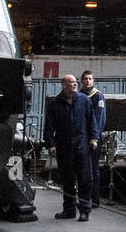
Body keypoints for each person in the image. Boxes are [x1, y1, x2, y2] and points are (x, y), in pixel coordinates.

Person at [45, 74, 99, 221]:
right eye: (71, 82)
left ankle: (84, 211)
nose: (75, 85)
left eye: (75, 82)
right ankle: (69, 210)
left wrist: (94, 138)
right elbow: (49, 126)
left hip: (82, 146)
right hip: (64, 147)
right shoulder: (55, 103)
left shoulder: (84, 100)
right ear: (63, 84)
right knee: (67, 180)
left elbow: (91, 120)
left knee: (85, 180)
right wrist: (51, 145)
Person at [81, 70, 107, 209]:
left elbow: (99, 119)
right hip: (81, 138)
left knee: (93, 169)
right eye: (85, 79)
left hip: (92, 139)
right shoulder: (79, 95)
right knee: (82, 169)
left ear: (93, 80)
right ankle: (84, 198)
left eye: (90, 79)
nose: (87, 81)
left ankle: (95, 199)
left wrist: (94, 137)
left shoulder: (97, 96)